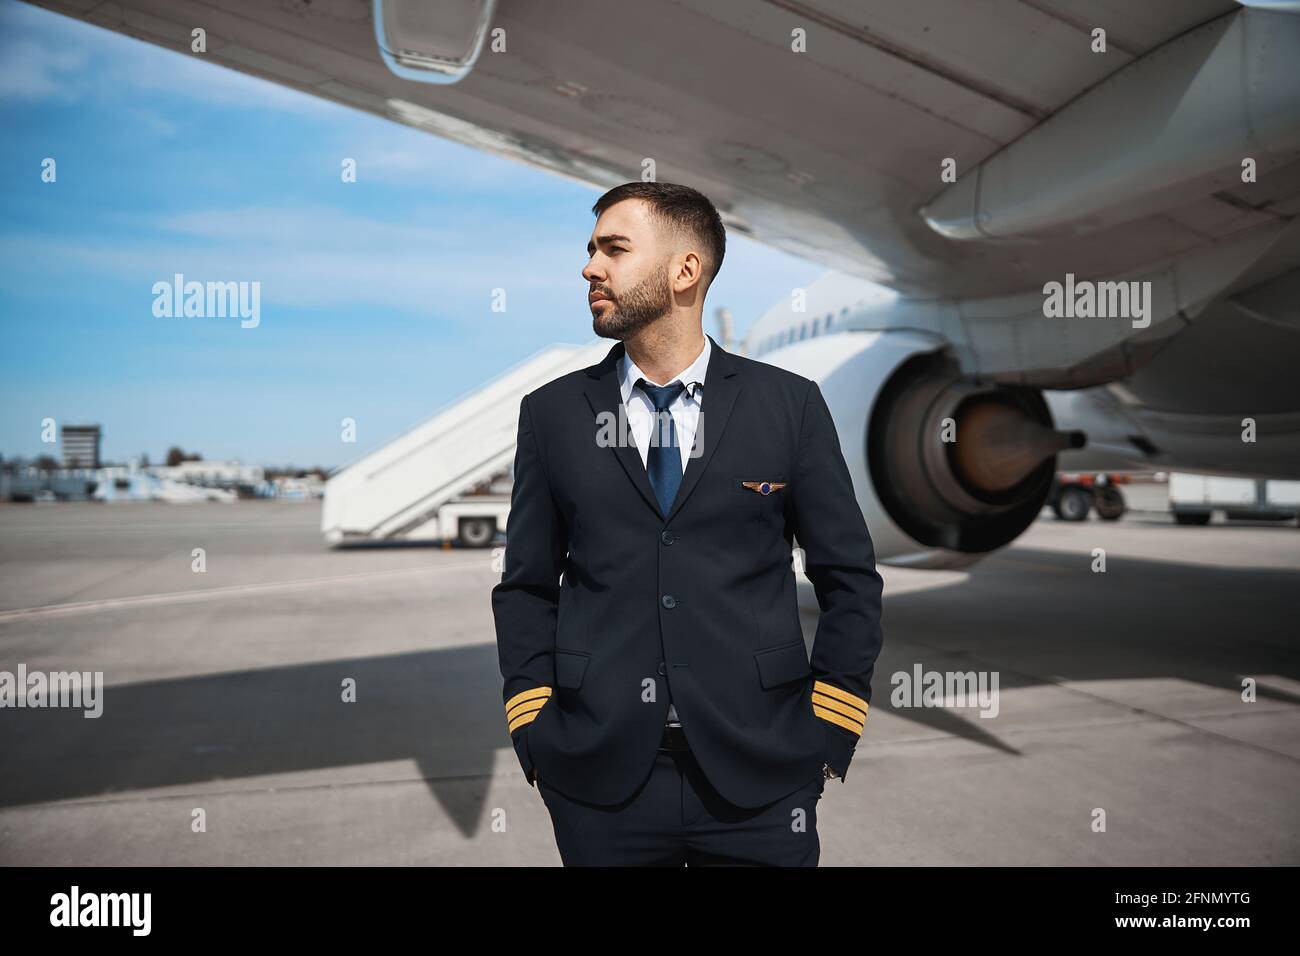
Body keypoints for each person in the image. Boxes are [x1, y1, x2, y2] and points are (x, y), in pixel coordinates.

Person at [492, 181, 884, 865]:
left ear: (685, 270)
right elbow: (526, 586)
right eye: (590, 250)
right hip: (597, 784)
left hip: (762, 782)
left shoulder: (788, 407)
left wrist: (828, 727)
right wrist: (534, 727)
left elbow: (848, 578)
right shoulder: (552, 414)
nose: (590, 267)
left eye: (614, 249)